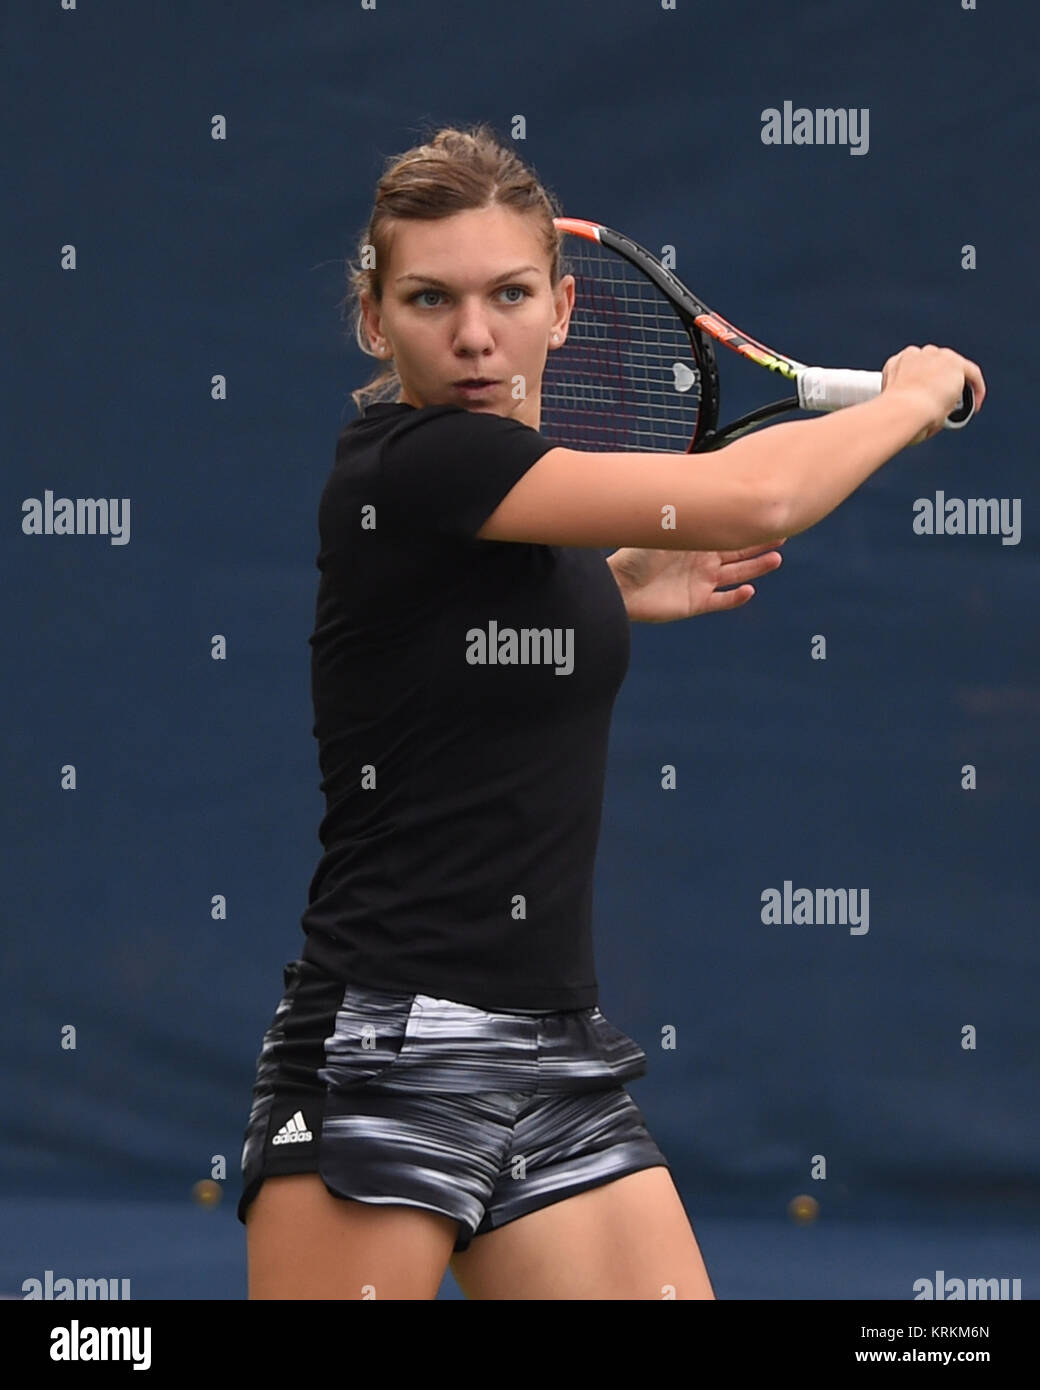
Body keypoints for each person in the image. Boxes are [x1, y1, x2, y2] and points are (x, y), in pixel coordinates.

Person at [237, 123, 986, 1301]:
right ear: (377, 323)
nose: (474, 334)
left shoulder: (522, 514)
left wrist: (613, 591)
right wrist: (911, 396)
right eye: (430, 298)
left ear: (563, 307)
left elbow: (459, 656)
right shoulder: (414, 463)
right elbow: (763, 490)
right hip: (391, 1047)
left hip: (555, 1053)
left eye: (508, 293)